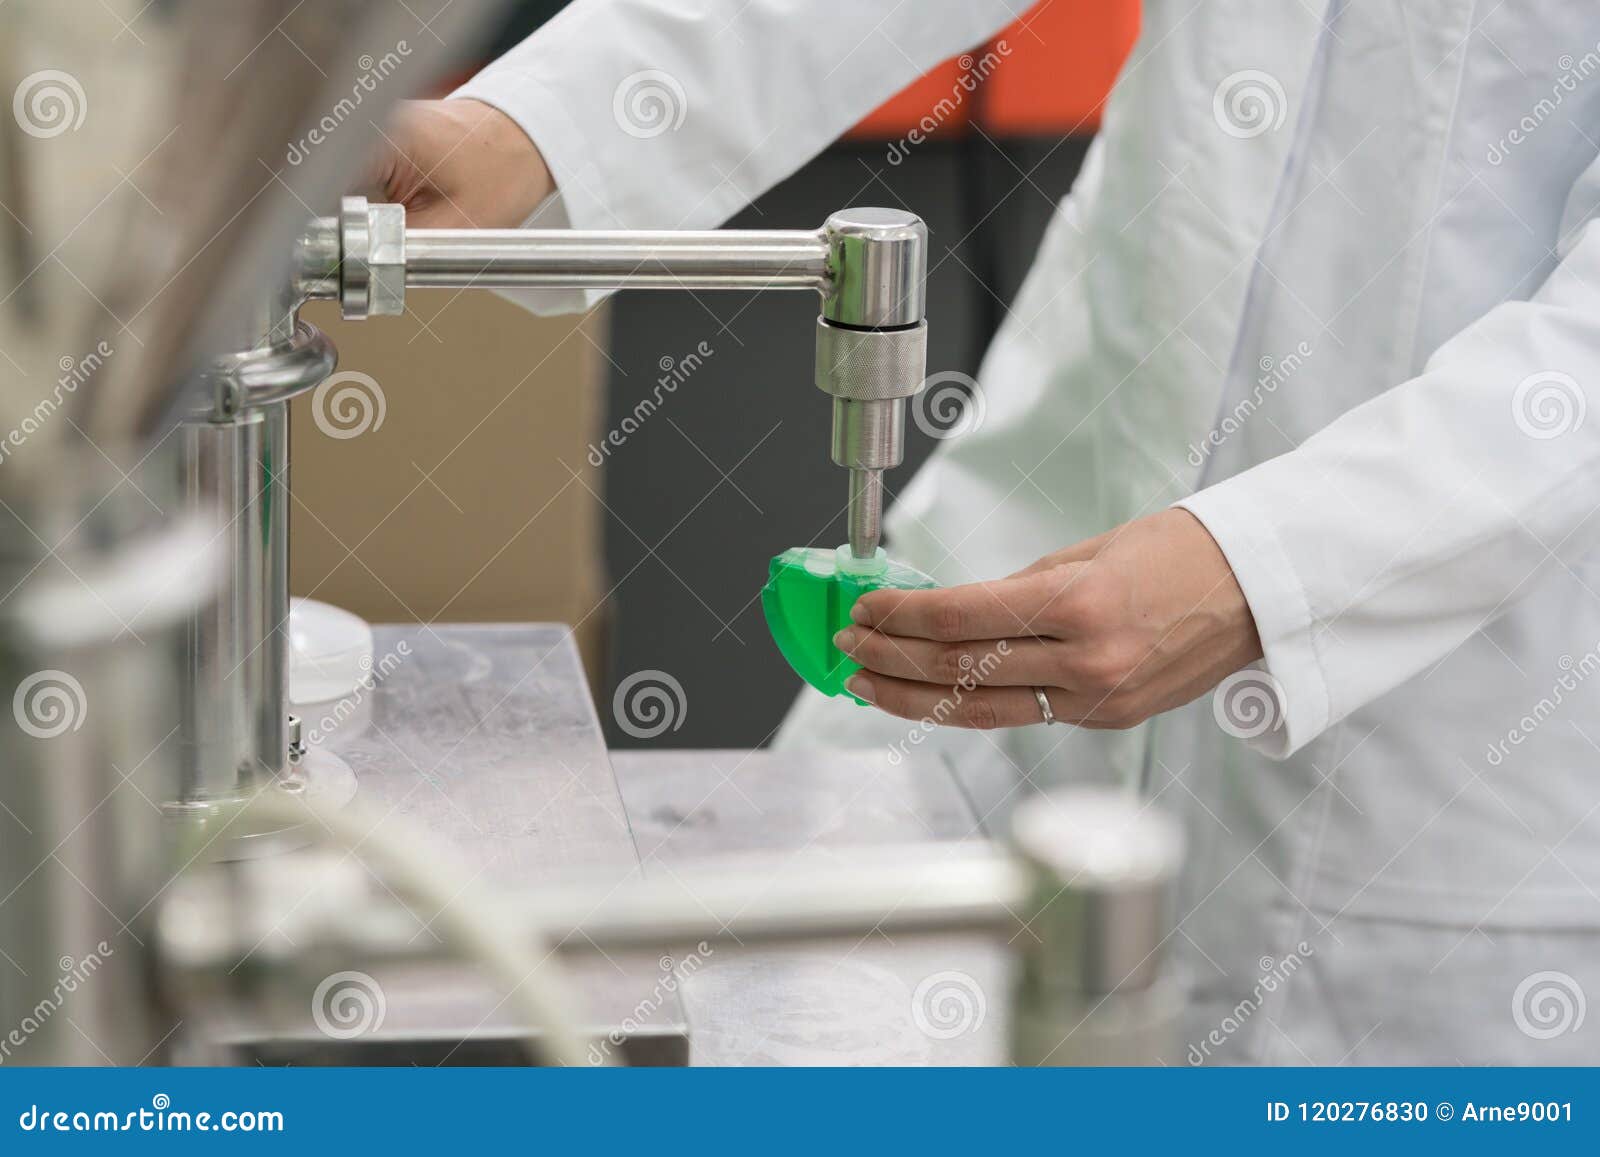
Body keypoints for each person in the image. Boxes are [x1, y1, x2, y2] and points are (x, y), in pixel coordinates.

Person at [374, 1, 1600, 1064]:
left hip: (1455, 733)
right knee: (791, 1029)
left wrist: (1265, 568)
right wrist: (541, 123)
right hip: (1062, 502)